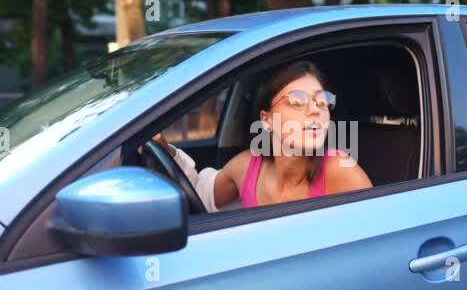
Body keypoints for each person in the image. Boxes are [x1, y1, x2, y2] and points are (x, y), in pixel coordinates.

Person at [151, 60, 372, 211]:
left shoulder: (340, 170)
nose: (316, 109)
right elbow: (198, 196)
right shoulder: (247, 166)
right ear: (266, 119)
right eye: (296, 101)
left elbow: (381, 243)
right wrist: (166, 150)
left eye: (322, 100)